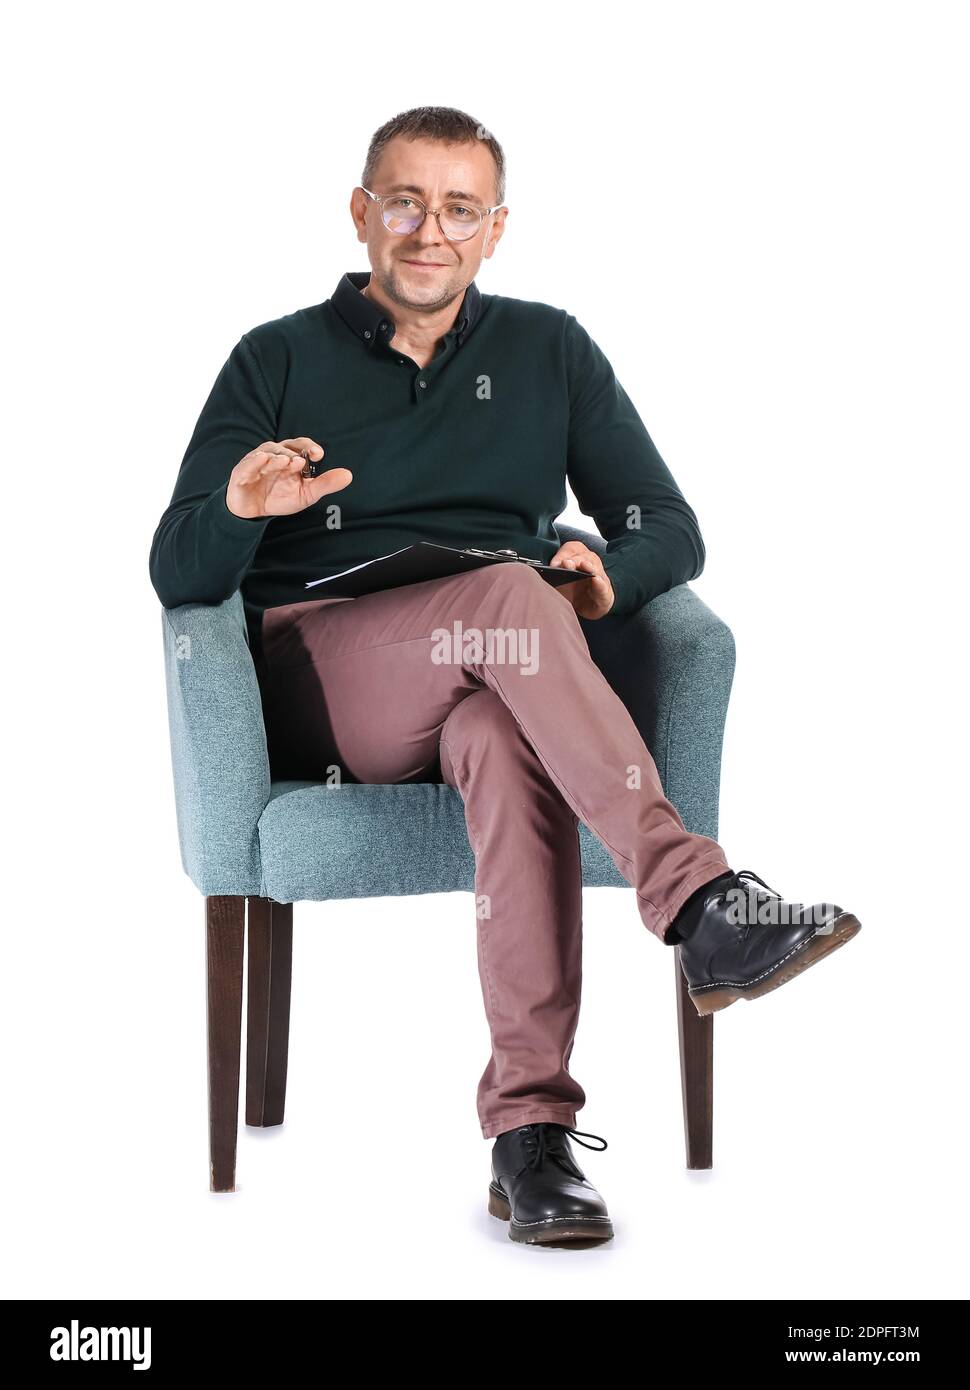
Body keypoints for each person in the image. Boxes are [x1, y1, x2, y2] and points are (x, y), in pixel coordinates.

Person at [149, 105, 861, 1248]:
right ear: (360, 214)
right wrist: (239, 507)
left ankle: (529, 1138)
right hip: (332, 677)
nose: (429, 230)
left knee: (502, 730)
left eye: (459, 208)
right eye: (404, 202)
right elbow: (176, 569)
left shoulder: (549, 350)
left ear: (495, 230)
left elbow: (666, 524)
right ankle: (696, 897)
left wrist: (605, 581)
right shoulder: (275, 357)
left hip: (505, 657)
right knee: (504, 594)